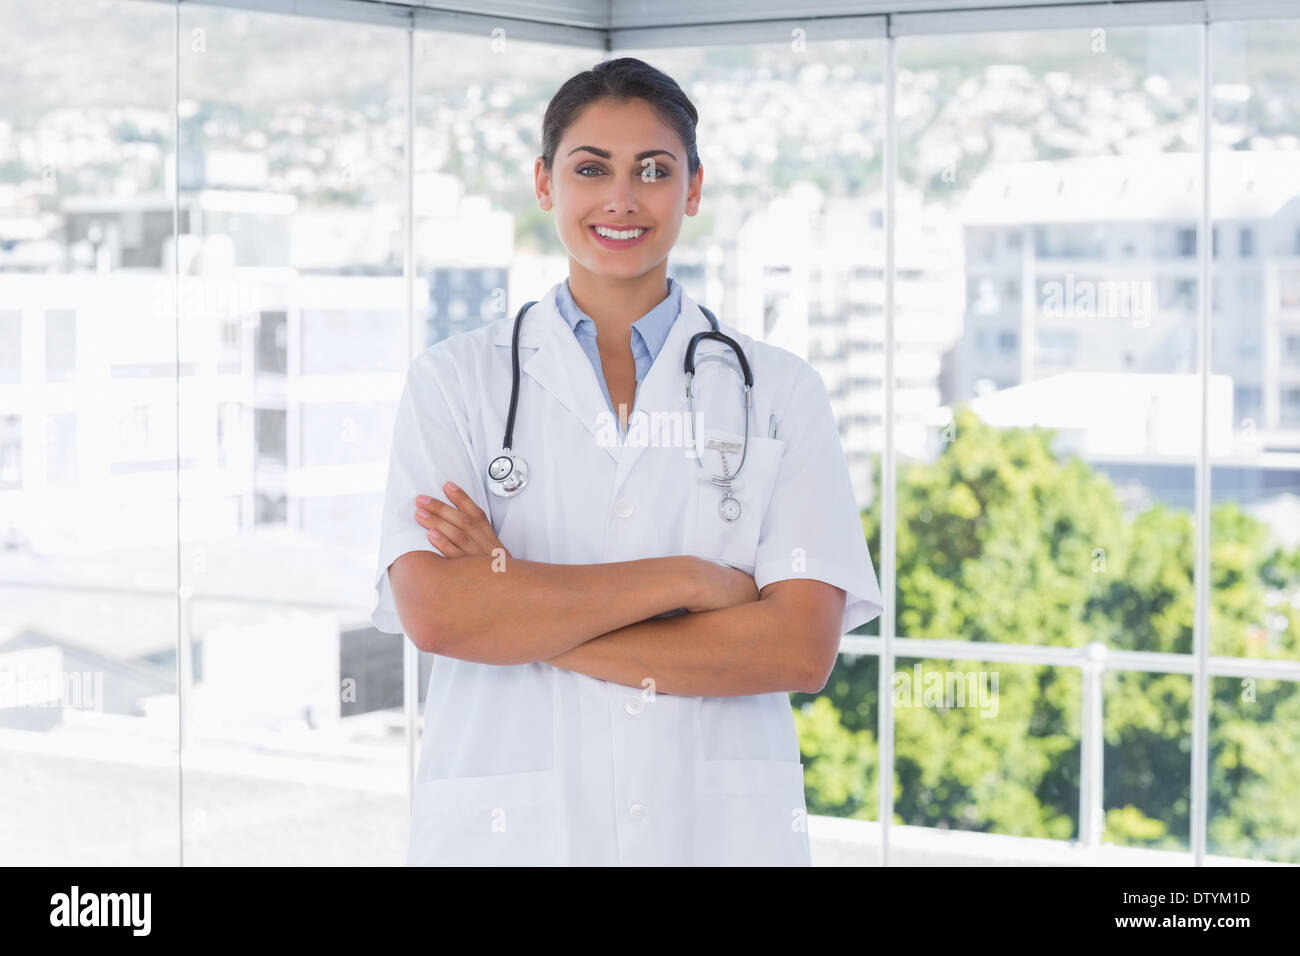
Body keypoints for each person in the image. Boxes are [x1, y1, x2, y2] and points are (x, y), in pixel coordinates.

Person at [371, 56, 883, 866]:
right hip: (515, 832)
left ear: (694, 188)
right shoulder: (455, 381)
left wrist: (514, 607)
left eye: (653, 169)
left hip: (712, 835)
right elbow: (437, 614)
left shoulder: (781, 391)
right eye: (590, 168)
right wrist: (685, 580)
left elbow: (796, 649)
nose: (621, 197)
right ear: (544, 184)